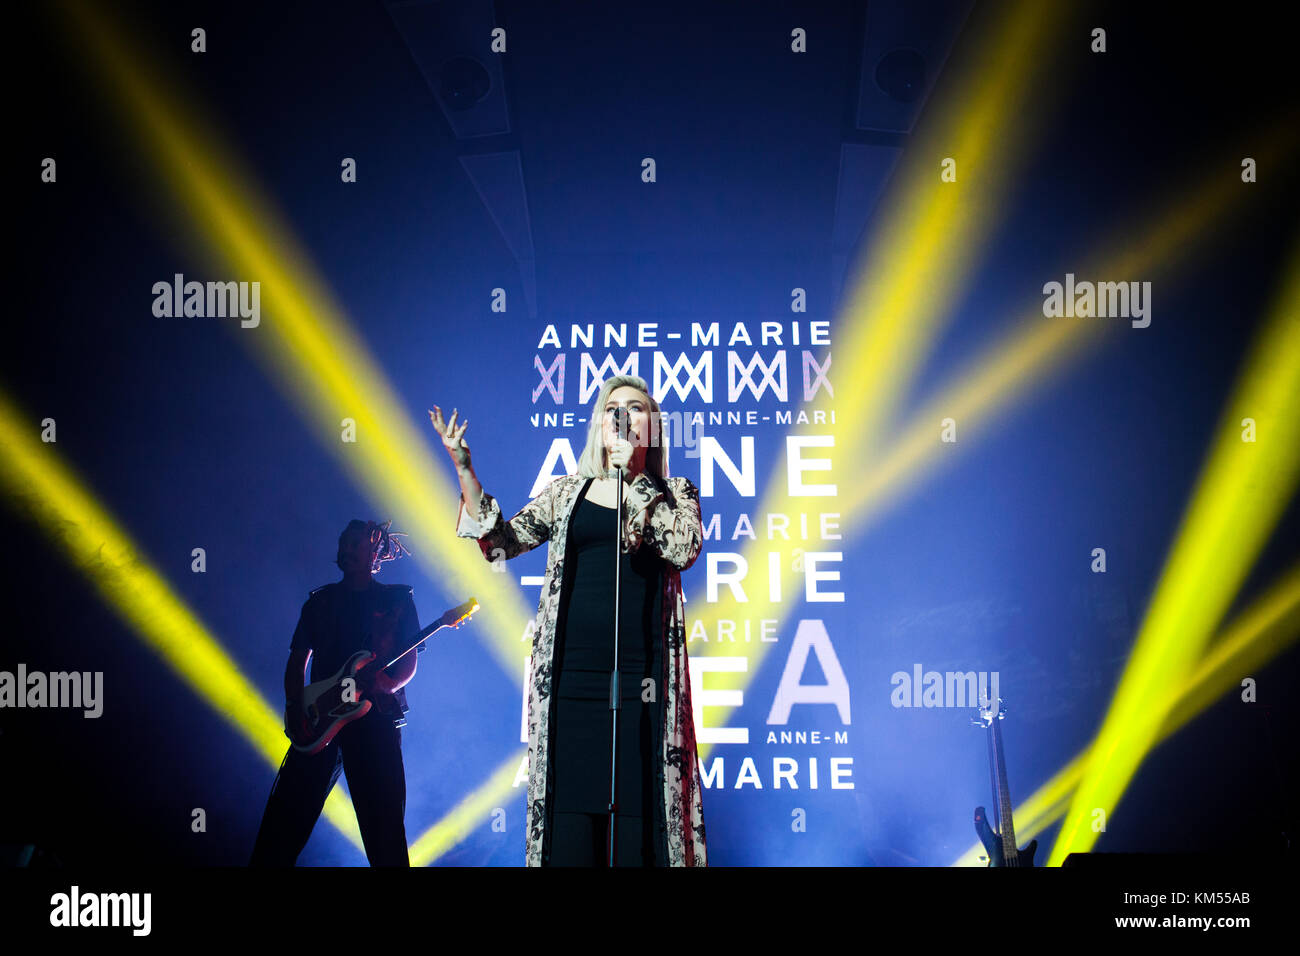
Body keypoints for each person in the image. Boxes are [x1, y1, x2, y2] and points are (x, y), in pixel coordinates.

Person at [429, 374, 707, 866]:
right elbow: (498, 546)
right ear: (599, 425)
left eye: (635, 409)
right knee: (570, 833)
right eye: (611, 408)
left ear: (652, 427)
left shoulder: (673, 492)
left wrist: (638, 484)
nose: (622, 416)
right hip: (572, 688)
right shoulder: (565, 495)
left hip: (643, 691)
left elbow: (682, 548)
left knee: (640, 836)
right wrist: (465, 469)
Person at [249, 520, 422, 867]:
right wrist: (296, 707)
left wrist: (384, 686)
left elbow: (408, 663)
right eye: (343, 543)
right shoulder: (320, 603)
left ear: (374, 551)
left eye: (355, 543)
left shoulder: (396, 601)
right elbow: (297, 661)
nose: (346, 549)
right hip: (320, 718)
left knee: (385, 831)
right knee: (281, 828)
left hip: (373, 722)